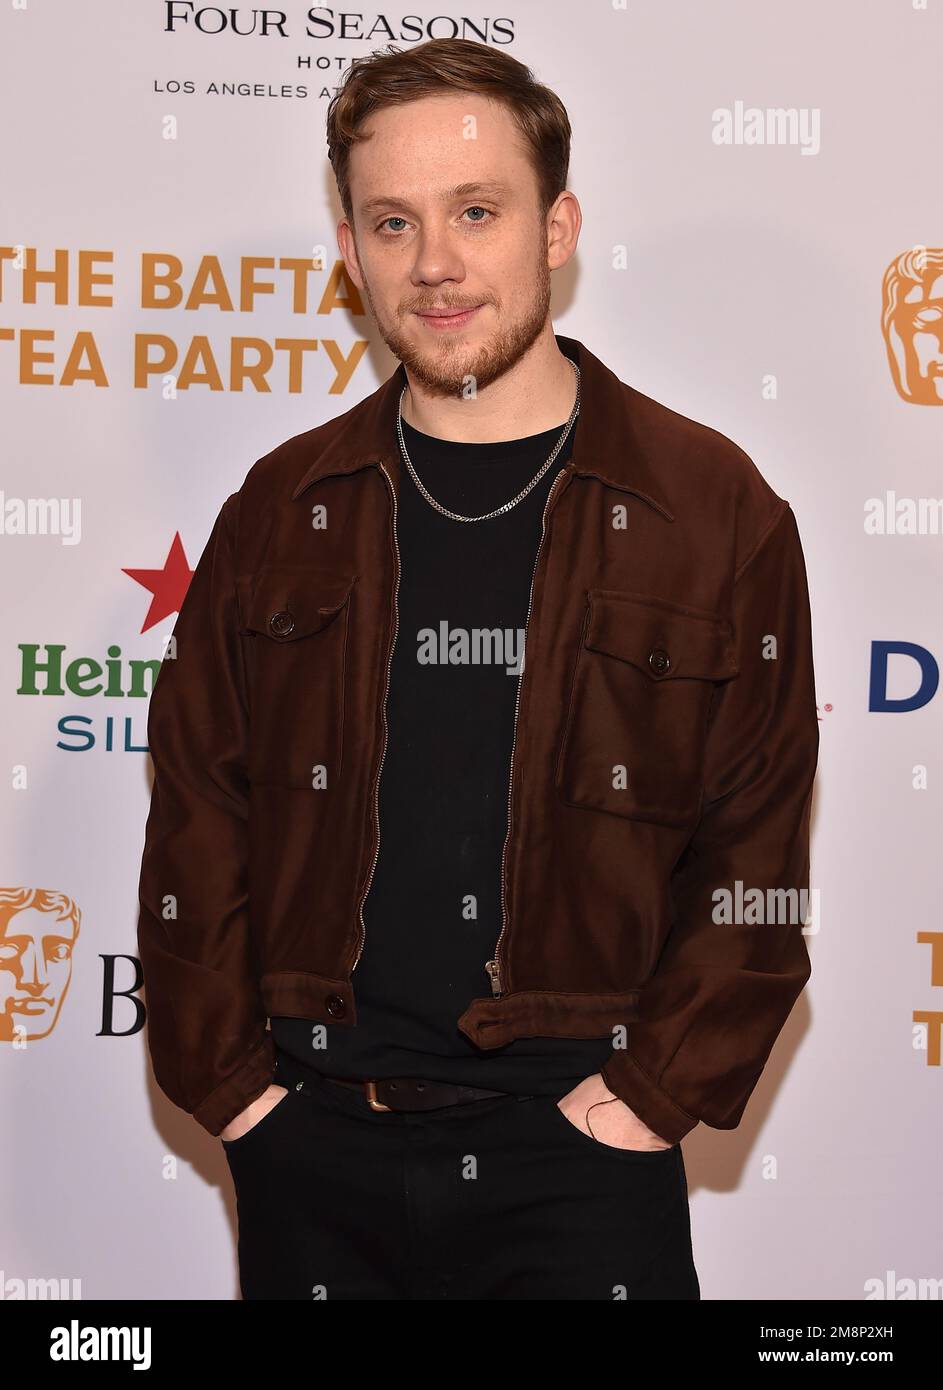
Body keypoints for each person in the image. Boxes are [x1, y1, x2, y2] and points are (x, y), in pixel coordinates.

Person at [137, 37, 819, 1300]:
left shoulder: (712, 510)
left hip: (580, 1160)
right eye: (391, 222)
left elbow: (757, 850)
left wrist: (650, 1095)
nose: (435, 263)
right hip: (312, 1147)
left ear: (555, 227)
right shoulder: (283, 509)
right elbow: (196, 811)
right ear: (349, 252)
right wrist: (238, 1097)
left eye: (475, 212)